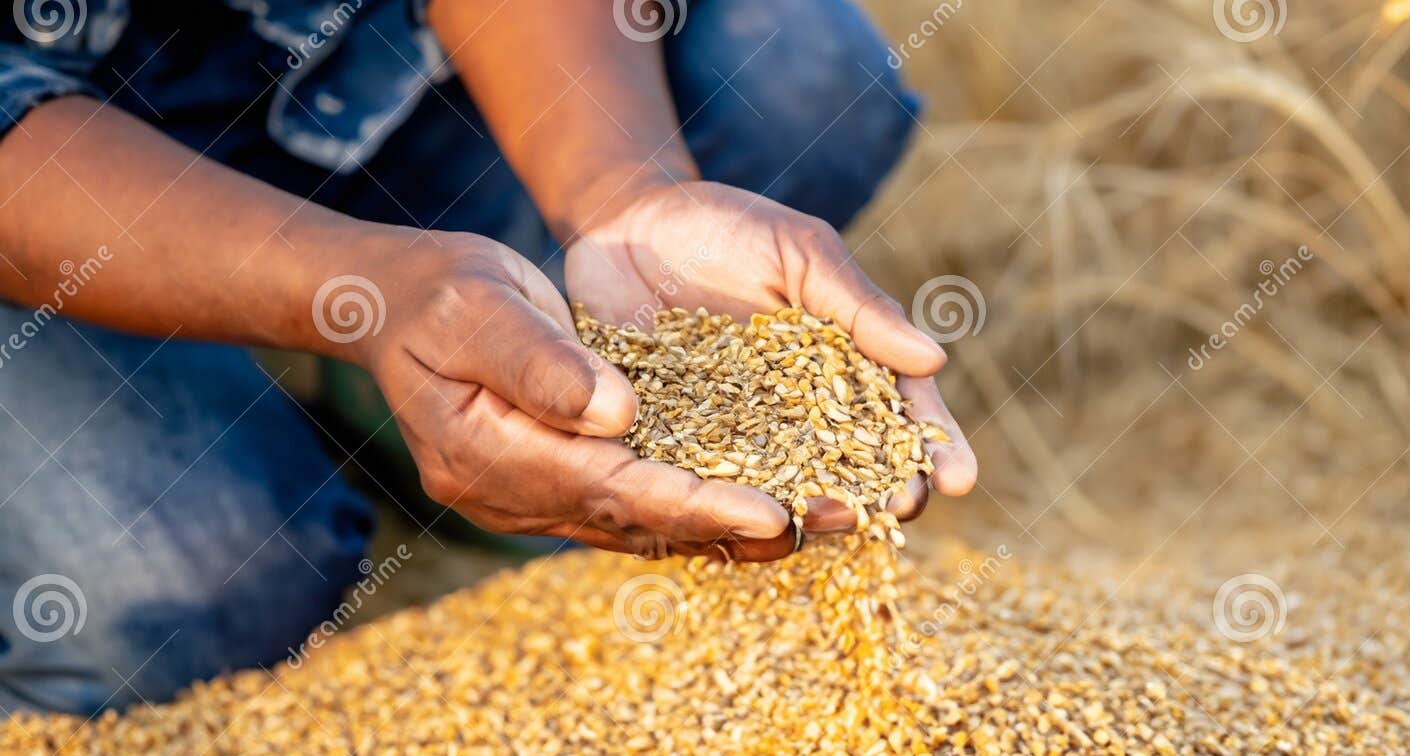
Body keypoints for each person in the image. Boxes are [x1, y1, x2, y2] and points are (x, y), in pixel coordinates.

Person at [0, 0, 976, 715]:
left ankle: (428, 408)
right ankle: (395, 361)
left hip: (352, 79)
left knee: (801, 63)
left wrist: (623, 192)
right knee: (191, 589)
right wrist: (367, 293)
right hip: (40, 194)